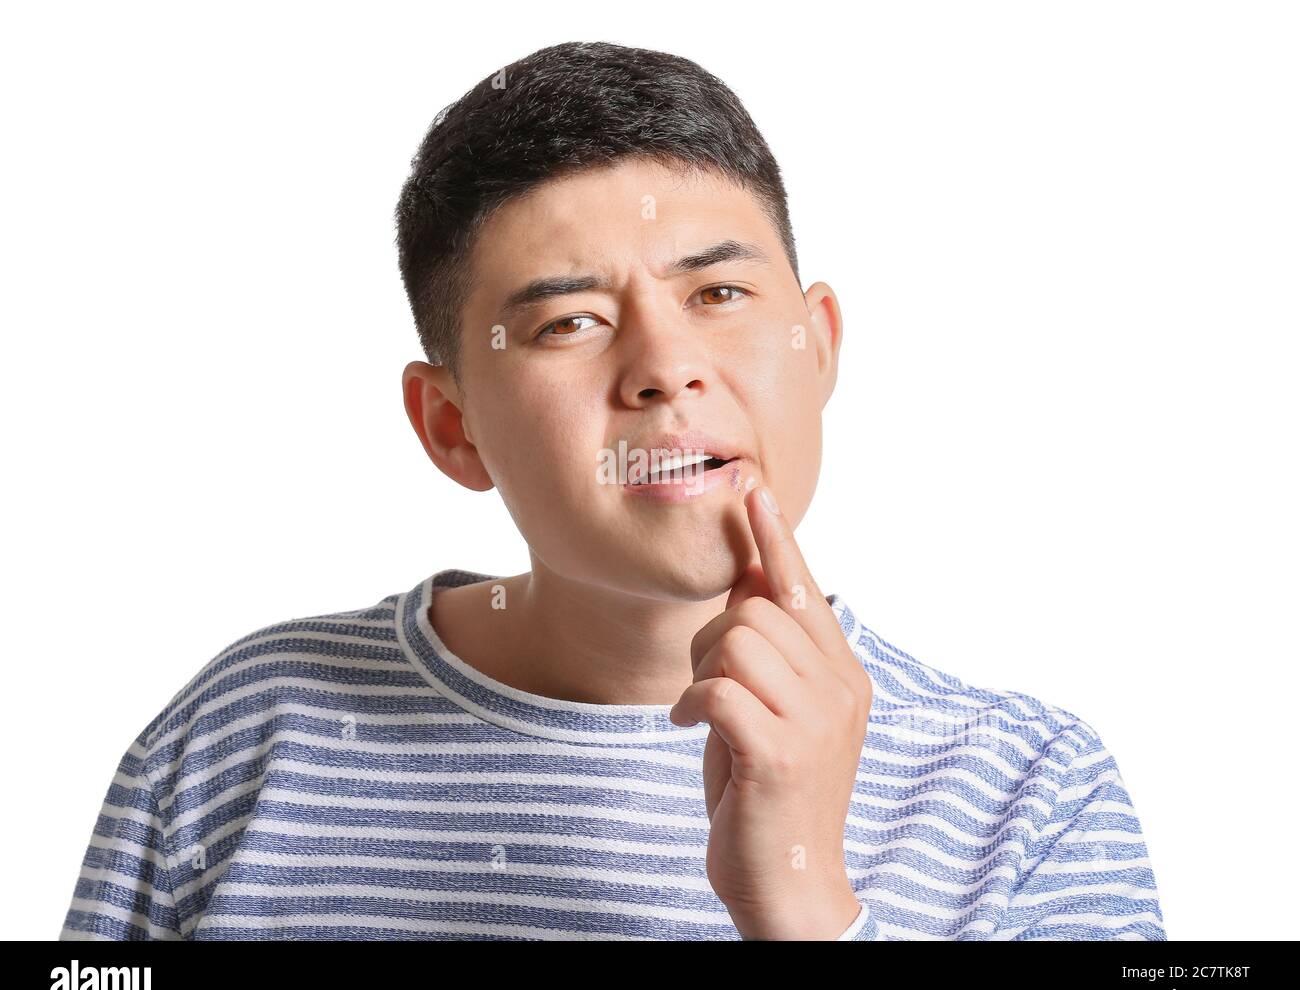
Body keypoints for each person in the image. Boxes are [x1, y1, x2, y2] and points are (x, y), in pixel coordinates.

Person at [58, 40, 1165, 941]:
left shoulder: (1031, 793)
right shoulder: (244, 731)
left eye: (720, 291)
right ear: (452, 426)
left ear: (817, 343)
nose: (665, 366)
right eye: (569, 321)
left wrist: (804, 903)